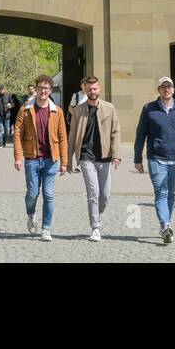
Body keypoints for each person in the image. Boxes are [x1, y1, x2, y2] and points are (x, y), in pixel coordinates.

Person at [133, 76, 175, 243]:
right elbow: (140, 135)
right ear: (158, 90)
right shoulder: (149, 109)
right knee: (161, 191)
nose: (166, 90)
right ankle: (165, 225)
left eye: (169, 87)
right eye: (163, 87)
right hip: (156, 158)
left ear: (173, 90)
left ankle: (165, 224)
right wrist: (137, 158)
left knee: (172, 193)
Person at [12, 75, 68, 241]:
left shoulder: (57, 111)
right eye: (40, 88)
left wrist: (64, 162)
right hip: (32, 159)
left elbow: (63, 137)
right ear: (35, 89)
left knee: (49, 194)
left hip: (51, 159)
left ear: (50, 90)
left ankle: (46, 229)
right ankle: (31, 213)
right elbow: (17, 133)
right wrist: (18, 157)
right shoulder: (25, 109)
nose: (43, 91)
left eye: (46, 88)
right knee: (32, 193)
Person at [67, 75, 120, 241]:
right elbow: (72, 134)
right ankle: (95, 227)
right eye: (89, 89)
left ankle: (97, 213)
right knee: (93, 192)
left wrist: (116, 154)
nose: (92, 92)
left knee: (105, 195)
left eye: (95, 89)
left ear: (99, 89)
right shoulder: (78, 110)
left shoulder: (109, 108)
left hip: (104, 157)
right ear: (84, 90)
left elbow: (116, 132)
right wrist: (68, 159)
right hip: (85, 156)